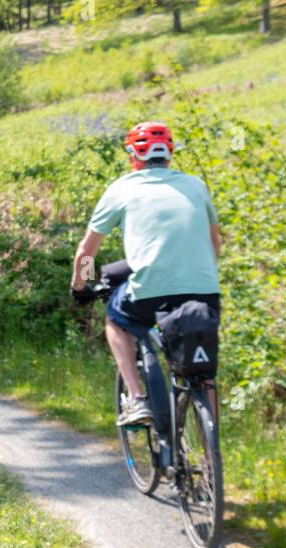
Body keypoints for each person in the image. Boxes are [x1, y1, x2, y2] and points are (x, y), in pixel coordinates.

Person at [69, 121, 221, 443]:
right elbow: (214, 243)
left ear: (133, 157)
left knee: (116, 318)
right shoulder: (196, 186)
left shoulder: (122, 188)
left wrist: (80, 286)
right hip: (205, 291)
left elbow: (87, 250)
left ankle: (137, 399)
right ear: (170, 155)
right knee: (202, 371)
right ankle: (212, 455)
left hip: (149, 291)